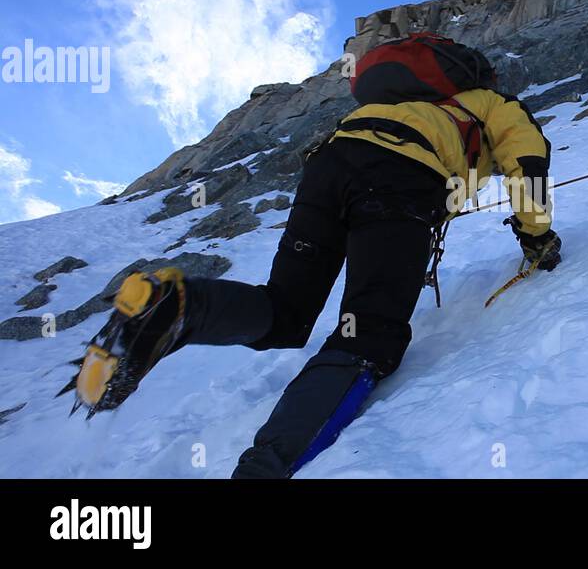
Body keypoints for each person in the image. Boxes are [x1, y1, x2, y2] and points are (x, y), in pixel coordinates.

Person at [71, 33, 562, 478]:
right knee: (368, 336)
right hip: (401, 182)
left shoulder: (394, 104)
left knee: (286, 310)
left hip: (328, 167)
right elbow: (529, 163)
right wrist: (535, 237)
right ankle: (266, 469)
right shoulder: (493, 103)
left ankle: (177, 306)